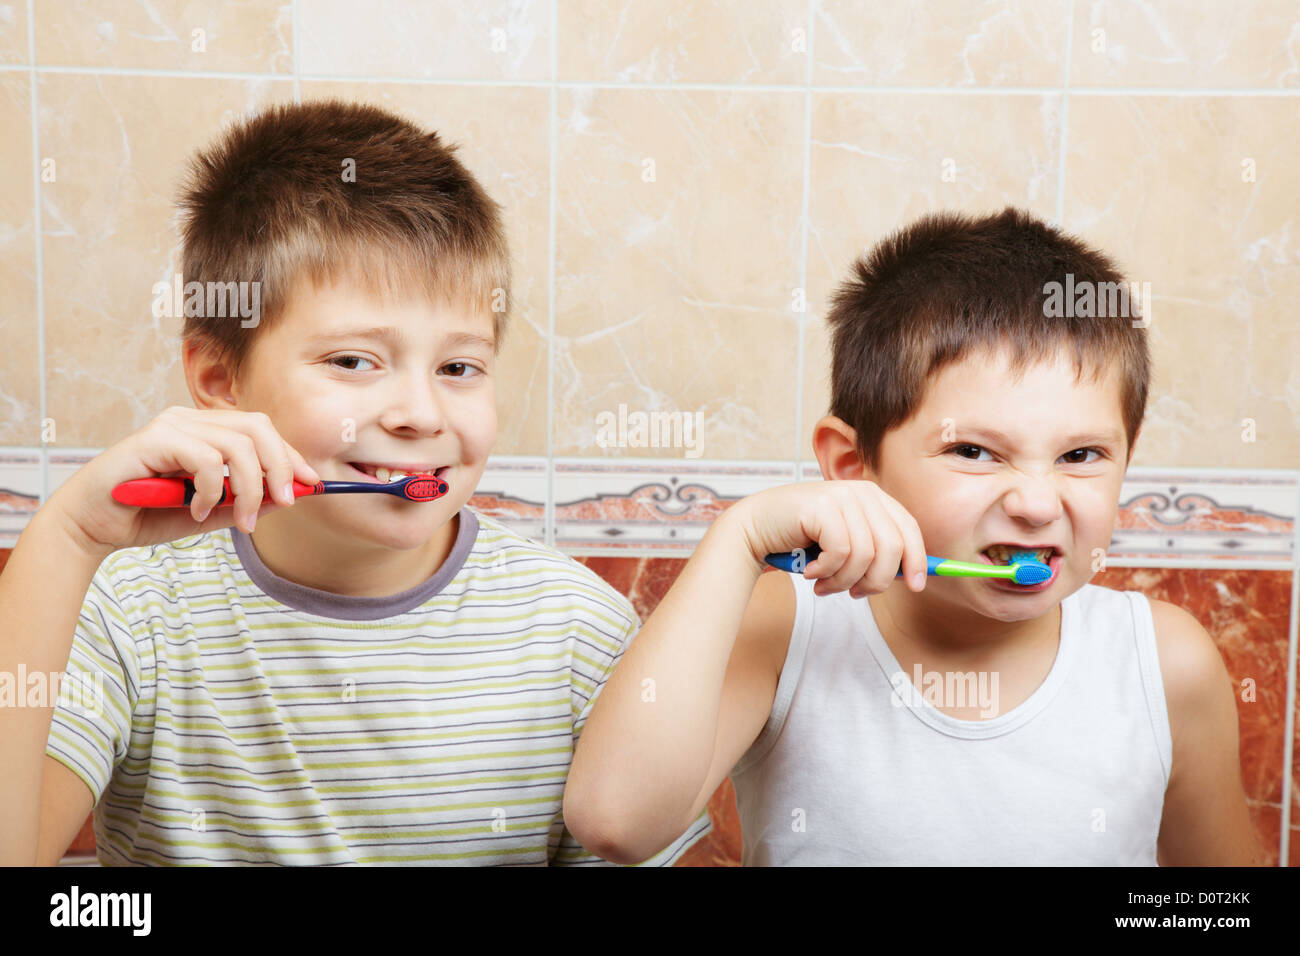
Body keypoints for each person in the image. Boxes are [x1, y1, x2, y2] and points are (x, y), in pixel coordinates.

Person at [0, 99, 709, 865]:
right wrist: (68, 538)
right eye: (353, 362)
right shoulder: (127, 611)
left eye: (458, 367)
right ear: (218, 379)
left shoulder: (578, 633)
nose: (418, 413)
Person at [563, 207, 1257, 865]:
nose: (1037, 503)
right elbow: (616, 823)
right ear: (850, 466)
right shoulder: (787, 630)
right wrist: (737, 539)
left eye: (1081, 456)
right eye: (975, 452)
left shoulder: (1163, 664)